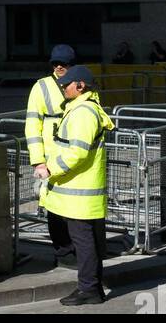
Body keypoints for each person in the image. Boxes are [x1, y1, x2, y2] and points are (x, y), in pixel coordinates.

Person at [38, 65, 114, 306]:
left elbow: (77, 152)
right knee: (87, 241)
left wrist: (51, 168)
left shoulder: (82, 112)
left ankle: (89, 289)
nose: (62, 88)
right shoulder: (83, 109)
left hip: (78, 193)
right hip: (81, 191)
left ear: (80, 86)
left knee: (83, 242)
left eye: (66, 85)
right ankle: (92, 288)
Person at [25, 43, 76, 265]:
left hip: (75, 154)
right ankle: (63, 252)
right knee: (54, 206)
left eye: (63, 63)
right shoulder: (41, 87)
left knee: (77, 205)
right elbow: (32, 125)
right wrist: (37, 160)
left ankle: (79, 250)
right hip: (50, 155)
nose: (58, 67)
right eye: (55, 63)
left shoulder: (83, 84)